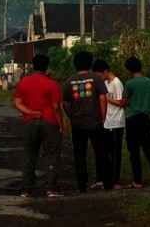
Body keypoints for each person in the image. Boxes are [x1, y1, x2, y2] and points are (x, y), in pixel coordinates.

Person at [14, 54, 64, 199]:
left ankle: (26, 190)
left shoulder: (24, 82)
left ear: (33, 65)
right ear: (46, 66)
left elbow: (17, 103)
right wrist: (61, 125)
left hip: (29, 122)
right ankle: (50, 189)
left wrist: (30, 112)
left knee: (29, 156)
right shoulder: (52, 84)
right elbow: (56, 107)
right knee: (51, 156)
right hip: (50, 122)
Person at [62, 50, 110, 192]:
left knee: (79, 155)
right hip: (95, 122)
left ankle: (82, 185)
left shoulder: (69, 81)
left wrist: (71, 116)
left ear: (75, 64)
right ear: (90, 63)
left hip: (77, 124)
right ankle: (107, 182)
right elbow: (102, 99)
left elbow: (65, 103)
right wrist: (103, 117)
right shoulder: (97, 80)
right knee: (101, 152)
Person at [121, 55, 150, 188]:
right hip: (146, 119)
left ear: (129, 70)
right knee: (149, 150)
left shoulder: (129, 84)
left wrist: (129, 101)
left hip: (133, 119)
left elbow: (124, 103)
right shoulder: (149, 82)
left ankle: (137, 180)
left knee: (134, 152)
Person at [93, 58, 126, 189]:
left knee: (115, 154)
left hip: (116, 122)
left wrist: (106, 99)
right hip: (106, 121)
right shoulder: (105, 83)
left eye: (100, 75)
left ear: (106, 71)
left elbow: (122, 102)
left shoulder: (116, 83)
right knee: (103, 152)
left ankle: (114, 181)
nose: (99, 77)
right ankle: (103, 179)